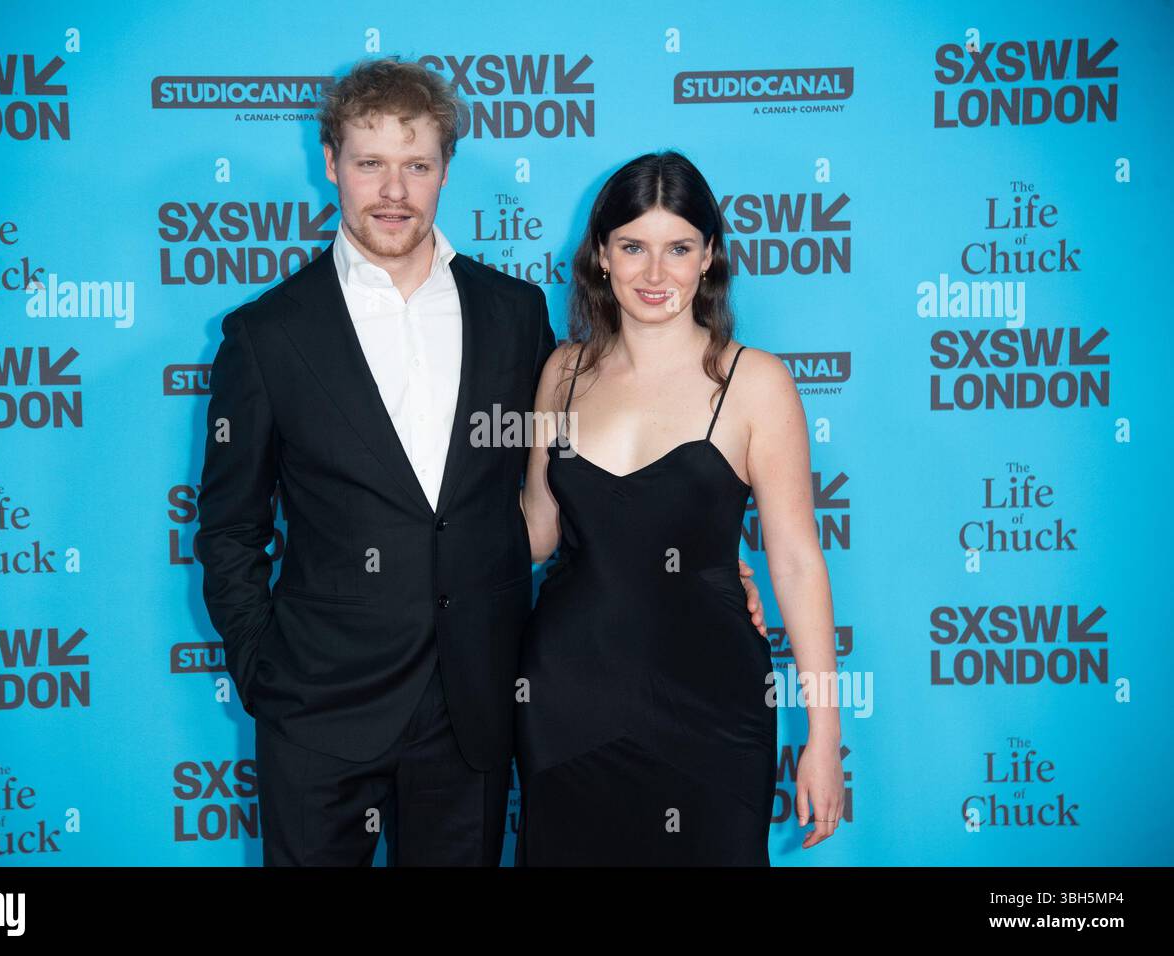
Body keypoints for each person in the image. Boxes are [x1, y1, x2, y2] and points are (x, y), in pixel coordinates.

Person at [193, 58, 773, 865]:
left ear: (444, 171)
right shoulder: (265, 336)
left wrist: (714, 556)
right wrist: (269, 677)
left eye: (416, 165)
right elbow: (228, 530)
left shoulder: (512, 314)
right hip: (318, 713)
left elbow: (571, 480)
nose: (393, 190)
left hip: (478, 708)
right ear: (330, 164)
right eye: (370, 163)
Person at [516, 150, 844, 865]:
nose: (655, 274)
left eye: (678, 248)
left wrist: (824, 736)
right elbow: (535, 533)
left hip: (713, 708)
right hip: (568, 700)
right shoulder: (561, 373)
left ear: (710, 257)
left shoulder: (755, 383)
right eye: (633, 247)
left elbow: (794, 562)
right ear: (602, 255)